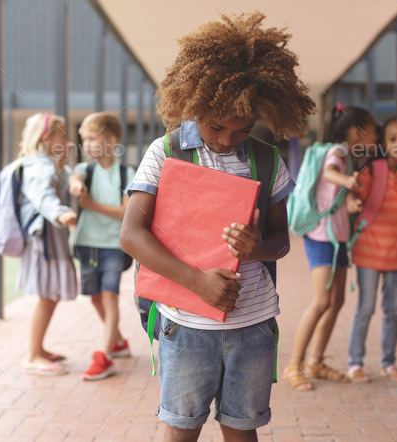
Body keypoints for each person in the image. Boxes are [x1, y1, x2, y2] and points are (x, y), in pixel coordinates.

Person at [120, 11, 315, 442]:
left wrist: (257, 248)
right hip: (185, 325)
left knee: (242, 432)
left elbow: (282, 242)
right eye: (217, 126)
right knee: (180, 431)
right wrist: (197, 282)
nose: (228, 138)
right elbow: (131, 235)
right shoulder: (166, 151)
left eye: (242, 128)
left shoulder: (265, 159)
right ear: (194, 105)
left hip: (254, 325)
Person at [283, 105, 379, 391]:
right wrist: (347, 180)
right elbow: (331, 174)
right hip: (322, 237)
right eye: (373, 130)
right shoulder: (337, 152)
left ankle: (316, 361)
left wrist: (351, 201)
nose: (376, 135)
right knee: (322, 301)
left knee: (336, 302)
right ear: (357, 132)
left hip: (337, 236)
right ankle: (294, 365)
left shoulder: (348, 157)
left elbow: (337, 198)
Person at [345, 115, 397, 383]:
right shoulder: (373, 169)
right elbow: (353, 192)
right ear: (384, 142)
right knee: (365, 308)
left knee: (393, 310)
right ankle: (355, 363)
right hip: (369, 252)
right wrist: (352, 202)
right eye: (393, 138)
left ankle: (389, 362)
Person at [68, 112, 135, 381]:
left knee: (109, 296)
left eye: (92, 138)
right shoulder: (84, 170)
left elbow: (124, 212)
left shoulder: (125, 172)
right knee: (95, 297)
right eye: (83, 139)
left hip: (113, 246)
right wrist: (76, 188)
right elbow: (74, 180)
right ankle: (117, 341)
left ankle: (104, 355)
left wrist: (90, 205)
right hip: (86, 244)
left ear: (111, 140)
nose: (86, 144)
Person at [17, 113, 77, 375]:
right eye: (61, 134)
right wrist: (60, 212)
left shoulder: (43, 162)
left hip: (49, 237)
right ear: (46, 138)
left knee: (49, 295)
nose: (66, 139)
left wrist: (63, 161)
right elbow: (43, 194)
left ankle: (37, 348)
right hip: (46, 240)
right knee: (47, 294)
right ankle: (32, 355)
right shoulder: (39, 165)